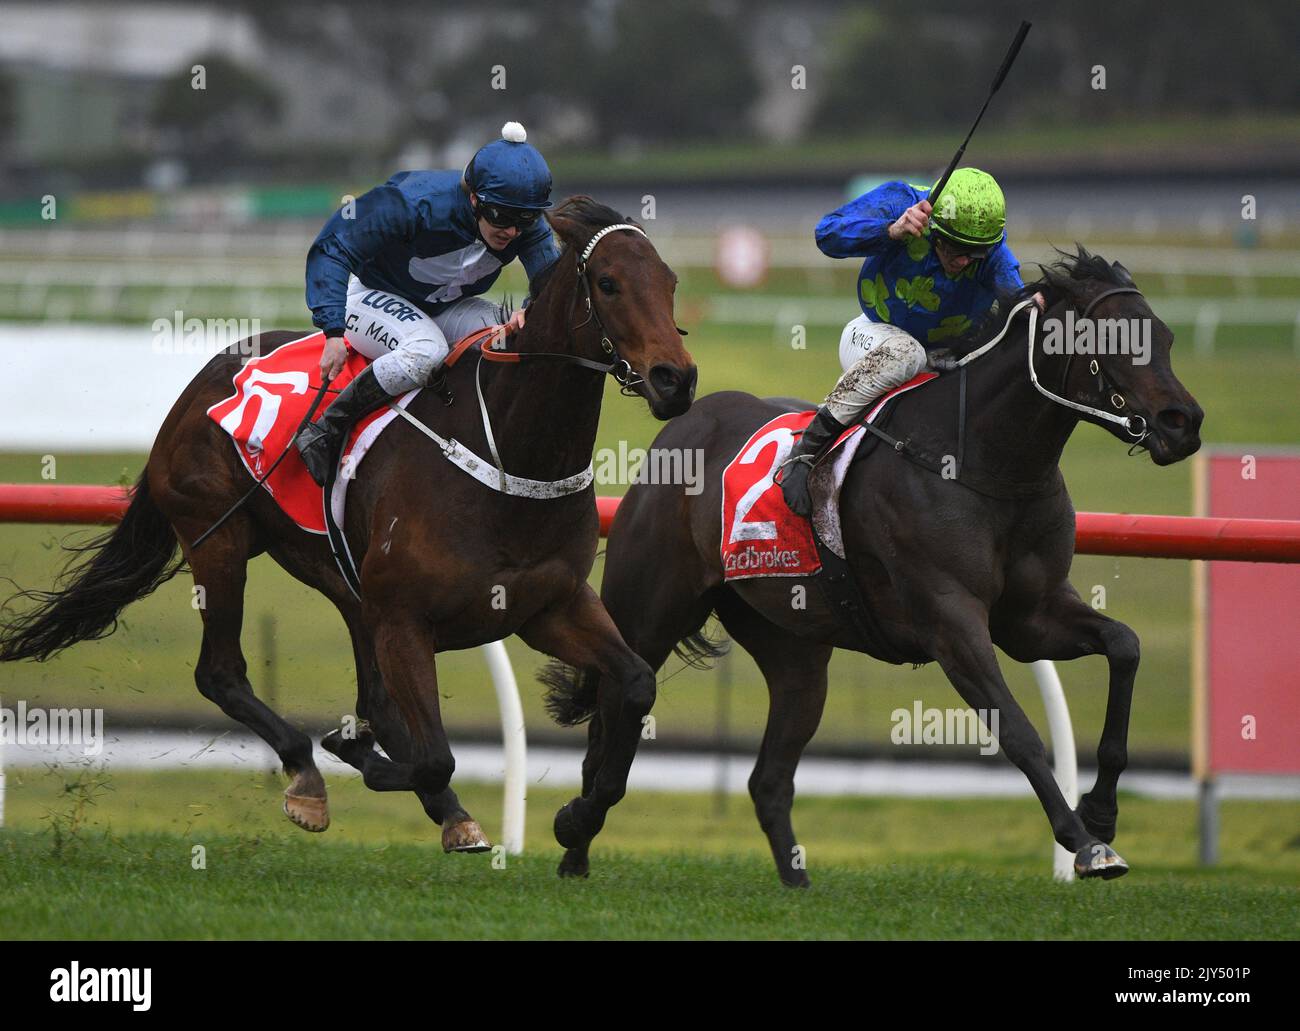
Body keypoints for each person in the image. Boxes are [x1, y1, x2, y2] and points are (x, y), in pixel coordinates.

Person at [296, 121, 561, 485]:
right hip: (370, 296)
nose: (512, 231)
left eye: (525, 219)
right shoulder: (413, 202)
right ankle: (326, 429)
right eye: (501, 216)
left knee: (516, 339)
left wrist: (530, 310)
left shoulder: (523, 225)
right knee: (427, 350)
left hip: (442, 306)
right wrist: (331, 330)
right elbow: (333, 245)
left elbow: (551, 283)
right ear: (474, 199)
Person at [779, 167, 1042, 516]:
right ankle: (806, 452)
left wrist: (1034, 306)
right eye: (955, 248)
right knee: (907, 353)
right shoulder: (900, 200)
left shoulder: (990, 249)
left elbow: (1016, 298)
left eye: (974, 254)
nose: (963, 261)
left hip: (944, 354)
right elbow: (826, 233)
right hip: (872, 336)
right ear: (934, 229)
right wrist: (890, 231)